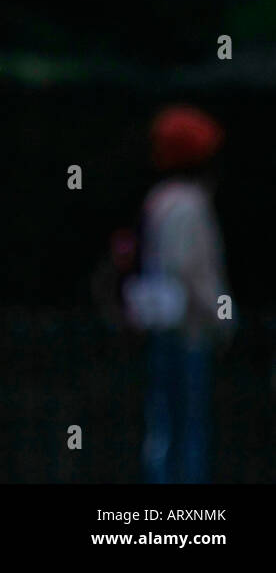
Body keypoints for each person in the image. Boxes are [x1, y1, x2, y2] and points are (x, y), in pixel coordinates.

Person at [128, 105, 229, 483]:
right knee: (186, 432)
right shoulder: (188, 203)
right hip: (188, 333)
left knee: (166, 427)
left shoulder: (159, 198)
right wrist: (223, 319)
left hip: (165, 328)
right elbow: (189, 271)